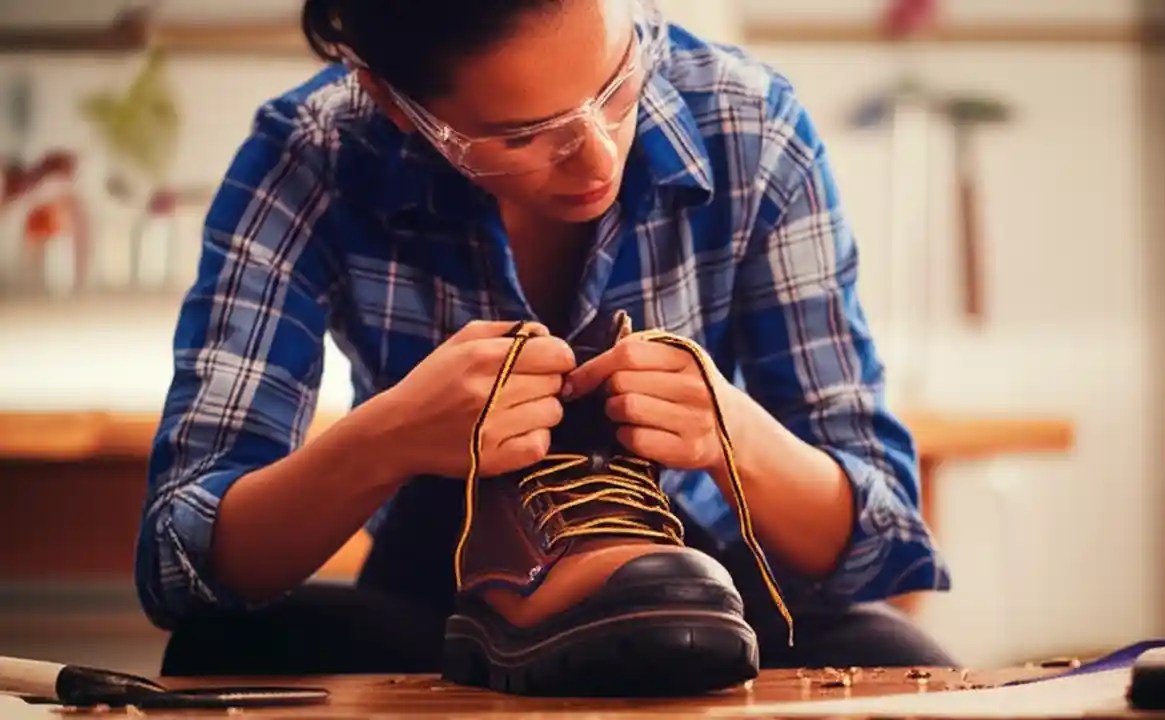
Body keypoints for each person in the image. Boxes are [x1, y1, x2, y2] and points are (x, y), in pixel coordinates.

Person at [136, 0, 955, 676]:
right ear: (396, 105)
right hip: (449, 601)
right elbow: (183, 561)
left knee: (895, 657)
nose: (597, 157)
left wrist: (729, 433)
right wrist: (382, 442)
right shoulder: (312, 155)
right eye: (525, 136)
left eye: (618, 86)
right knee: (217, 653)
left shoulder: (752, 129)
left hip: (704, 595)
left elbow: (879, 540)